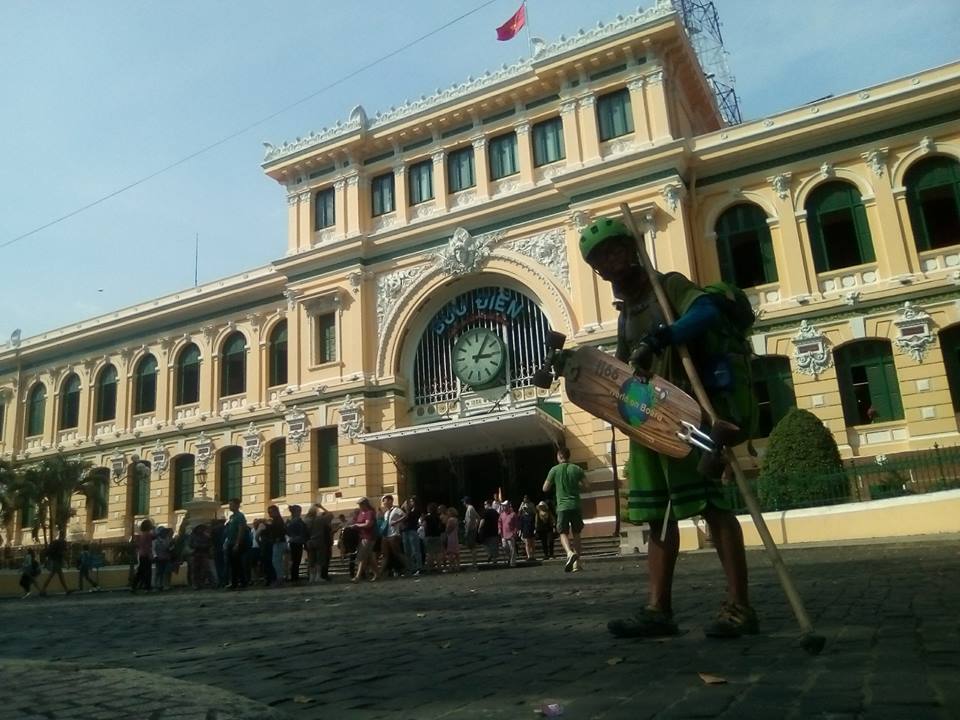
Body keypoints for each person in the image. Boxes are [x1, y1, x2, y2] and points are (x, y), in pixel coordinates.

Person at [578, 216, 756, 639]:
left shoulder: (668, 286)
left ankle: (740, 606)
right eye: (601, 260)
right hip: (650, 425)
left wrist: (667, 335)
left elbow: (707, 312)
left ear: (633, 251)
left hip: (689, 416)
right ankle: (658, 608)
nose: (610, 265)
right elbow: (622, 373)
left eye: (615, 252)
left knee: (713, 508)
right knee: (658, 516)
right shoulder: (626, 315)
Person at [378, 494, 406, 579]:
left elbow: (404, 516)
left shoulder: (397, 510)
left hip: (394, 535)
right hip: (386, 535)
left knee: (397, 552)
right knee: (385, 554)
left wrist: (397, 521)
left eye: (385, 500)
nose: (384, 503)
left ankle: (407, 567)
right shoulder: (386, 513)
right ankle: (381, 572)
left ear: (390, 500)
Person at [351, 497, 379, 582]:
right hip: (362, 537)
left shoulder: (370, 513)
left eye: (361, 504)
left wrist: (357, 526)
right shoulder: (361, 513)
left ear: (365, 504)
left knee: (362, 557)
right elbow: (356, 522)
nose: (360, 506)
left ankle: (357, 576)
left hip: (369, 537)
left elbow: (368, 524)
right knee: (369, 557)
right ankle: (377, 574)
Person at [225, 497, 249, 589]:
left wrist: (237, 543)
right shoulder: (231, 517)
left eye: (231, 504)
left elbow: (241, 530)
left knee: (237, 563)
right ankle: (236, 581)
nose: (230, 506)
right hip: (230, 542)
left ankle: (240, 582)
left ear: (237, 505)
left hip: (236, 543)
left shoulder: (240, 516)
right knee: (233, 563)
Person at [401, 497, 422, 576]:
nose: (410, 503)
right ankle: (410, 568)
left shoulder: (416, 510)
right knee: (407, 551)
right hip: (405, 531)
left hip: (412, 530)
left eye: (412, 501)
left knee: (415, 550)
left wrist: (406, 509)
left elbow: (408, 517)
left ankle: (418, 568)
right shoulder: (409, 510)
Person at [286, 505, 308, 583]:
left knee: (294, 560)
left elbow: (287, 532)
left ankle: (294, 576)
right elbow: (303, 532)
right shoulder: (298, 521)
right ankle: (295, 576)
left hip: (292, 541)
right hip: (298, 542)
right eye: (299, 511)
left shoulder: (290, 521)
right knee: (296, 560)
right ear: (297, 512)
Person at [132, 520, 155, 592]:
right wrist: (154, 528)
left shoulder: (141, 535)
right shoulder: (148, 534)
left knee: (141, 571)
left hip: (141, 554)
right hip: (146, 555)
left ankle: (134, 585)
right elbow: (155, 536)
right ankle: (147, 587)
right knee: (148, 571)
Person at [477, 500, 500, 565]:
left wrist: (479, 528)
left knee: (485, 544)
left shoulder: (486, 511)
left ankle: (490, 554)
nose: (484, 506)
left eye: (485, 504)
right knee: (494, 546)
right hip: (495, 531)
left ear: (488, 504)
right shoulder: (495, 512)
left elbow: (482, 520)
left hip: (486, 531)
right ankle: (494, 559)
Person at [462, 497, 481, 571]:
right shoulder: (471, 508)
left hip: (470, 530)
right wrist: (475, 525)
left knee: (472, 548)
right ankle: (474, 564)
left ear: (465, 502)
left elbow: (470, 520)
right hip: (472, 529)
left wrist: (468, 530)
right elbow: (478, 517)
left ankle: (474, 565)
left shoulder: (469, 508)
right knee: (472, 548)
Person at [498, 500, 519, 567]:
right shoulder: (501, 514)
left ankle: (513, 563)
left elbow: (516, 524)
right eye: (503, 506)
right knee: (505, 547)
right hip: (503, 534)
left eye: (504, 506)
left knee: (512, 548)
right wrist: (499, 529)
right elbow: (499, 523)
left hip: (511, 534)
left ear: (507, 506)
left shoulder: (513, 514)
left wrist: (515, 532)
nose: (503, 507)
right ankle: (509, 557)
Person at [518, 496, 537, 561]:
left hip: (531, 528)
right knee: (527, 543)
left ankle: (533, 555)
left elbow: (535, 513)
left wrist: (535, 529)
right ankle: (529, 556)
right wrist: (521, 531)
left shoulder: (532, 513)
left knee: (532, 543)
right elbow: (519, 513)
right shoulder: (522, 516)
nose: (525, 509)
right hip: (525, 529)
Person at [444, 507, 461, 572]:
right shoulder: (456, 519)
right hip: (455, 536)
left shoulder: (450, 520)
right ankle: (458, 566)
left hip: (450, 536)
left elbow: (448, 529)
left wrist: (446, 532)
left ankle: (451, 566)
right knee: (456, 552)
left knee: (451, 552)